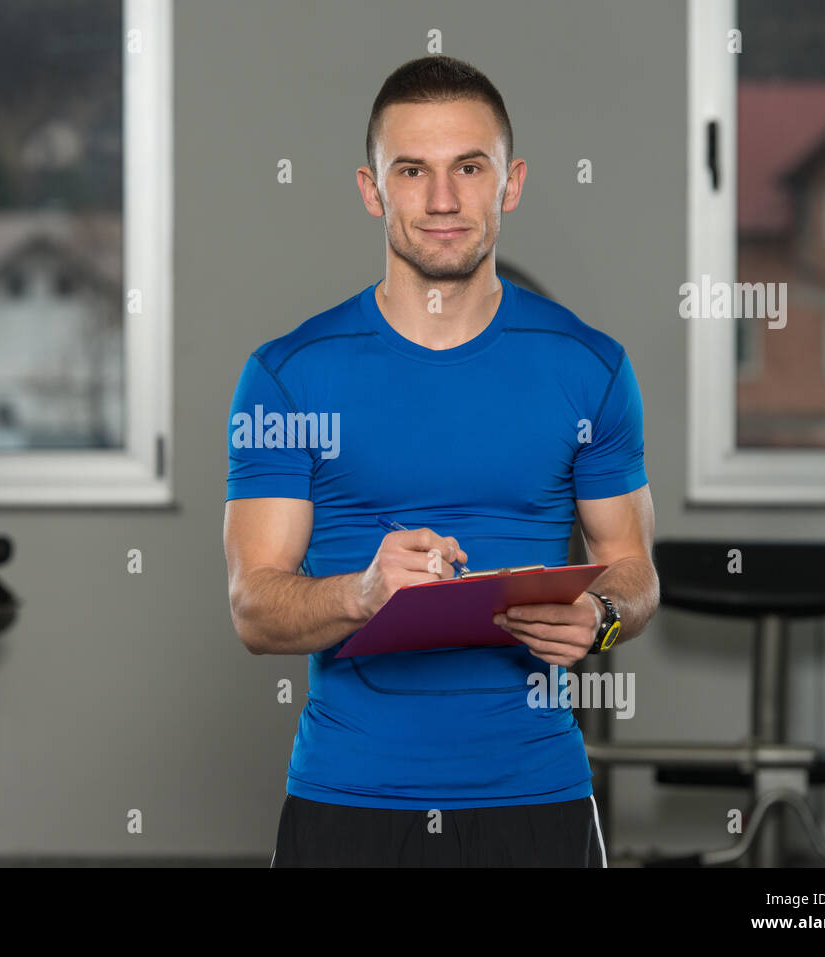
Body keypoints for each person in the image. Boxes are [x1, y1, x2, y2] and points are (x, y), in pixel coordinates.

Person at [223, 55, 658, 867]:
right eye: (411, 171)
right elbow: (253, 608)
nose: (444, 200)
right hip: (350, 800)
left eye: (470, 167)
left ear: (512, 182)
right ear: (371, 189)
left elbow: (634, 572)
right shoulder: (287, 375)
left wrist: (598, 620)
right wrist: (363, 592)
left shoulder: (591, 367)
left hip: (537, 796)